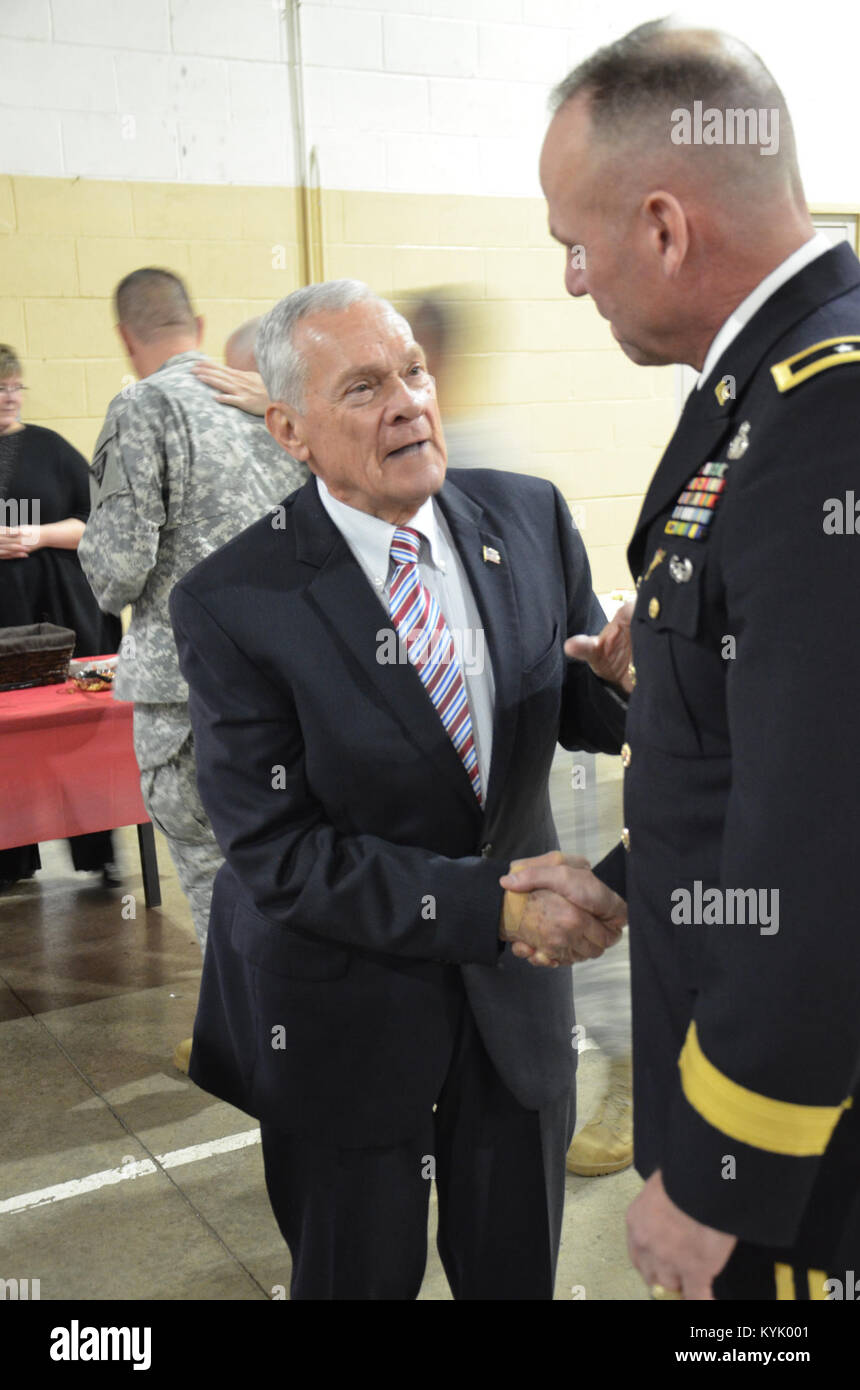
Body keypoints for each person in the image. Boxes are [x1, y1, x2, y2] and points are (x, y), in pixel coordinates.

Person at [169, 278, 631, 1300]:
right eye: (365, 388)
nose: (410, 404)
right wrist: (494, 907)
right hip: (342, 1015)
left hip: (511, 1015)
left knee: (513, 1276)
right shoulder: (234, 601)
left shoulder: (526, 515)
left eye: (414, 372)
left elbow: (574, 705)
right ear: (288, 428)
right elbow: (277, 852)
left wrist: (632, 681)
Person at [524, 18, 860, 1300]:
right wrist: (633, 874)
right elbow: (760, 754)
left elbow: (827, 838)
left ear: (662, 228)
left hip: (792, 1129)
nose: (570, 279)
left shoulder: (821, 419)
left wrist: (726, 1166)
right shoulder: (769, 394)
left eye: (575, 242)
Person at [78, 270, 308, 1070]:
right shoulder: (271, 403)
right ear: (198, 322)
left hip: (191, 690)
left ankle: (255, 1041)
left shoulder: (140, 407)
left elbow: (115, 570)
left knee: (216, 872)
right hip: (296, 679)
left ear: (125, 337)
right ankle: (297, 1024)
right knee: (292, 857)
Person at [0, 344, 121, 891]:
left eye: (15, 386)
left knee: (78, 733)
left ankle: (99, 850)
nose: (8, 396)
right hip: (5, 617)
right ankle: (11, 858)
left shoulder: (49, 448)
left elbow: (97, 522)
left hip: (58, 609)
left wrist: (39, 535)